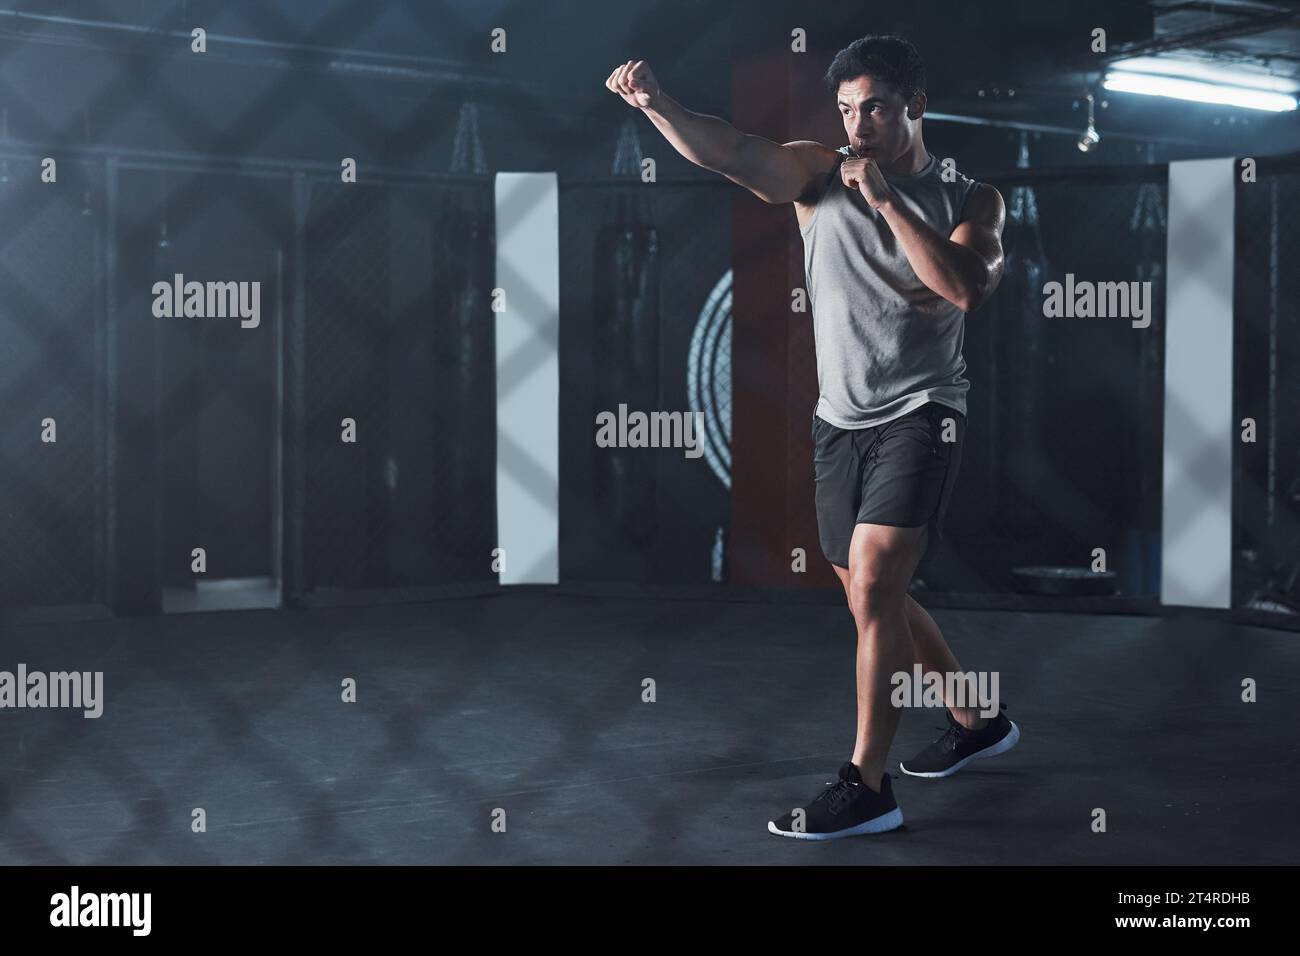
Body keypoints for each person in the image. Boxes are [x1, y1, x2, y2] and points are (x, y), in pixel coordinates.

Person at [606, 33, 1021, 840]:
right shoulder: (817, 173)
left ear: (915, 108)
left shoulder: (975, 201)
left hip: (923, 411)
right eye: (845, 110)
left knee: (873, 589)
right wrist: (658, 106)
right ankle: (978, 719)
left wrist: (889, 203)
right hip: (840, 420)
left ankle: (867, 786)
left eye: (873, 109)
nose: (856, 126)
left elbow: (964, 288)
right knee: (874, 592)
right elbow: (731, 152)